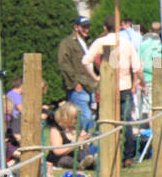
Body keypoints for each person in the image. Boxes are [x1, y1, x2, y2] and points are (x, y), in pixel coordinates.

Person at [82, 16, 143, 167]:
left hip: (107, 87)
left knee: (107, 122)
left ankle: (109, 154)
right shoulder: (127, 43)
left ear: (104, 28)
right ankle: (127, 156)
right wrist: (139, 82)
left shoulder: (100, 42)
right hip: (124, 86)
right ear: (120, 27)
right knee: (126, 122)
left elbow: (85, 61)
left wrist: (95, 76)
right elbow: (136, 67)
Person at [56, 16, 97, 133]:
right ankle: (76, 141)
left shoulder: (87, 42)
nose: (87, 29)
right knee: (84, 116)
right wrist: (75, 83)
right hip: (78, 86)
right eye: (84, 27)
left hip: (89, 85)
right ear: (76, 27)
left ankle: (85, 145)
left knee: (89, 119)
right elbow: (63, 64)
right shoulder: (67, 43)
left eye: (88, 27)